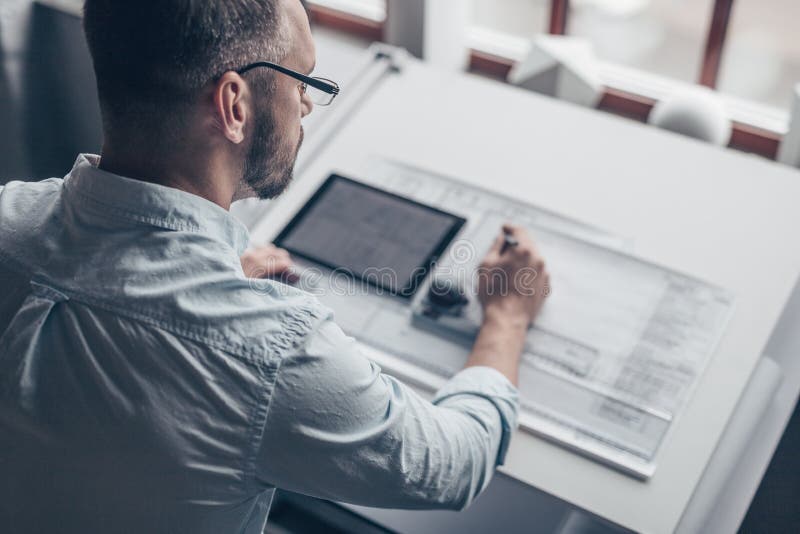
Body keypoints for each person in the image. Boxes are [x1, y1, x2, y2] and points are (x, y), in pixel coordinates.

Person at [0, 1, 550, 532]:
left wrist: (210, 286)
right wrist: (508, 316)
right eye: (301, 80)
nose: (307, 104)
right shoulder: (270, 350)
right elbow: (446, 467)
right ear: (234, 105)